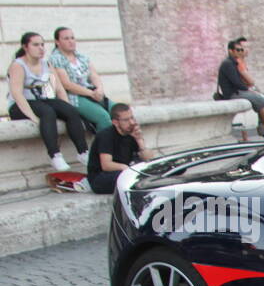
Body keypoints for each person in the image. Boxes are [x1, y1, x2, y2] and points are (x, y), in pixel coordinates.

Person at [7, 32, 89, 171]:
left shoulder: (46, 63)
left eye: (42, 44)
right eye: (36, 45)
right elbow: (17, 94)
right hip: (20, 105)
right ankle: (55, 156)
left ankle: (83, 152)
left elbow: (58, 88)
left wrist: (66, 108)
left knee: (71, 111)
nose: (41, 48)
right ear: (25, 47)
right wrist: (33, 117)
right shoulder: (18, 65)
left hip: (42, 101)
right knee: (47, 112)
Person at [48, 27, 113, 132]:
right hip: (74, 97)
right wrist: (91, 94)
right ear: (57, 42)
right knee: (103, 117)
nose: (71, 41)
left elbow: (94, 75)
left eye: (72, 38)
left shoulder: (82, 57)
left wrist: (100, 89)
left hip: (93, 92)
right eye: (66, 38)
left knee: (119, 111)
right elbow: (67, 84)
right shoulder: (55, 59)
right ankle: (103, 147)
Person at [86, 103, 154, 194]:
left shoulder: (131, 132)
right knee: (130, 177)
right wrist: (127, 169)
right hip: (101, 178)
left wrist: (139, 140)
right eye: (126, 120)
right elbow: (106, 165)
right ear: (115, 122)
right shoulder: (105, 136)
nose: (131, 123)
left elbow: (148, 159)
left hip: (124, 172)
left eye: (132, 118)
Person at [215, 37, 264, 133]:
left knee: (260, 100)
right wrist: (247, 90)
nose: (240, 52)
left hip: (236, 91)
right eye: (238, 50)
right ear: (230, 51)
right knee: (261, 101)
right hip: (232, 93)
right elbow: (236, 82)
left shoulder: (232, 62)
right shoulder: (228, 63)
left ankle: (263, 125)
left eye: (241, 50)